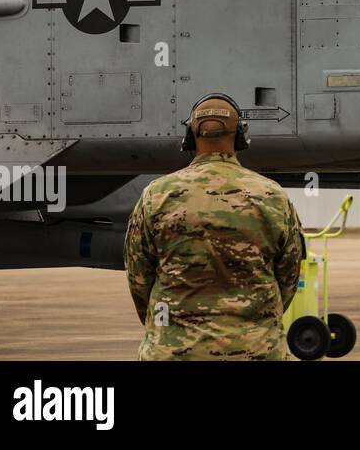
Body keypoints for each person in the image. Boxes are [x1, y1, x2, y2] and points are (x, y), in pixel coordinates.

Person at [124, 93, 304, 360]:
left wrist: (167, 330)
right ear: (241, 136)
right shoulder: (273, 196)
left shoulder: (157, 195)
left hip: (174, 352)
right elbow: (288, 279)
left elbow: (139, 278)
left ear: (190, 135)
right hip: (256, 351)